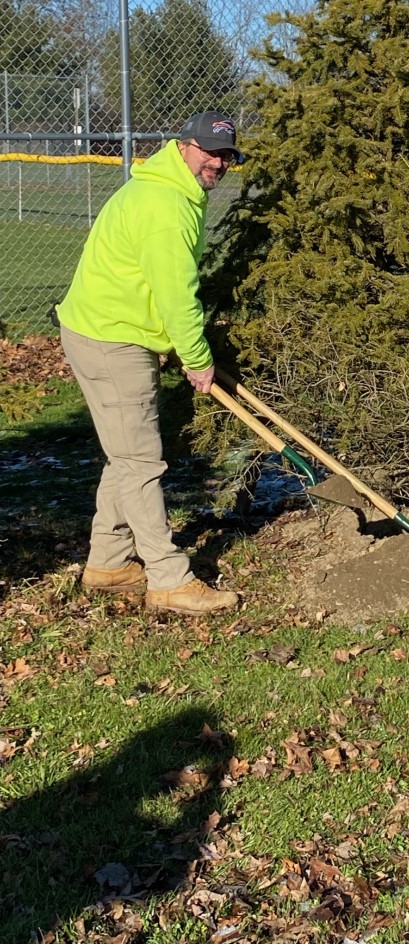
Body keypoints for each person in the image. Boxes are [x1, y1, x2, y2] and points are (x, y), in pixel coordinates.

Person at [57, 111, 244, 617]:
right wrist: (197, 359)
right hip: (111, 339)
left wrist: (174, 346)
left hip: (108, 331)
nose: (218, 163)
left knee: (126, 454)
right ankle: (167, 578)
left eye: (226, 155)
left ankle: (109, 564)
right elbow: (177, 296)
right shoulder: (166, 205)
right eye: (210, 151)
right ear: (183, 146)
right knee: (141, 461)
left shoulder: (170, 188)